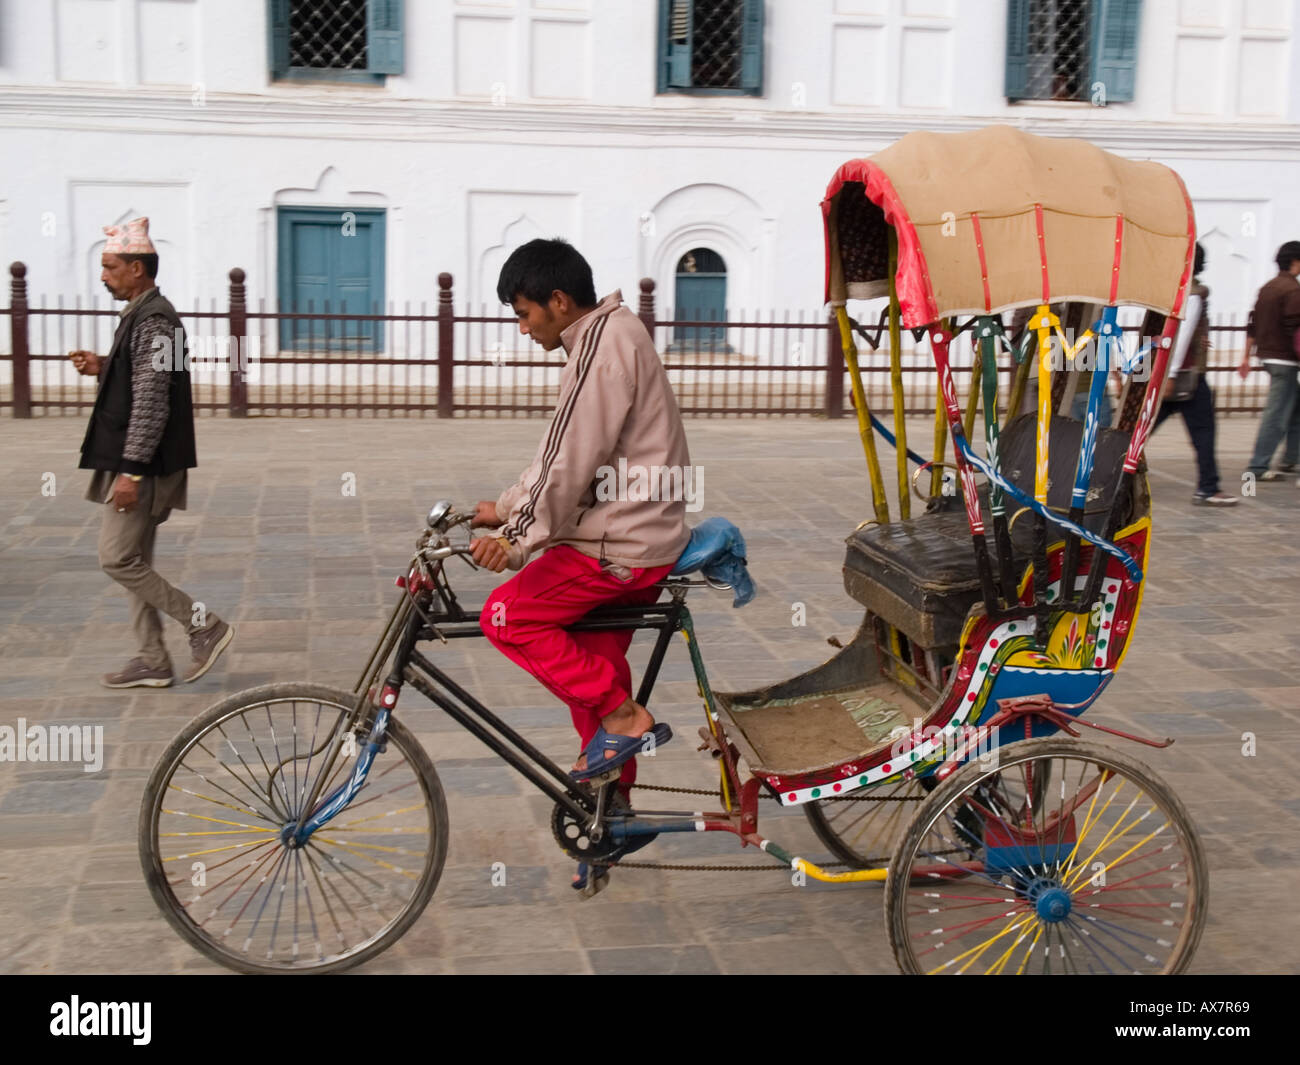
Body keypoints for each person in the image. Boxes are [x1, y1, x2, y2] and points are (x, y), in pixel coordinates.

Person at [468, 239, 691, 882]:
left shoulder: (599, 346)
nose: (523, 326)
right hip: (636, 532)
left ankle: (626, 721)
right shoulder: (610, 335)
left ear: (558, 301)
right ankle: (608, 811)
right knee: (592, 666)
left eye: (525, 312)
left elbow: (569, 463)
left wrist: (515, 539)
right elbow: (559, 454)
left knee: (509, 616)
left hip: (621, 544)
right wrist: (507, 505)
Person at [70, 217, 233, 687]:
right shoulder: (143, 316)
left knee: (116, 558)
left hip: (145, 465)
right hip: (139, 462)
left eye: (110, 267)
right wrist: (104, 366)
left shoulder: (157, 321)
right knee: (135, 560)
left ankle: (203, 623)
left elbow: (152, 403)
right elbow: (142, 380)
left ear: (137, 268)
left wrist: (131, 474)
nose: (103, 276)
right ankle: (152, 659)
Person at [1143, 243, 1237, 506]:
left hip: (1170, 375)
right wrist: (1171, 374)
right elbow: (1179, 337)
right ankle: (1208, 487)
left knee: (1144, 428)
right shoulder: (1192, 294)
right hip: (1185, 378)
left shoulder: (1170, 291)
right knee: (1203, 432)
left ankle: (1111, 474)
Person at [1240, 240, 1300, 482]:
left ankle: (1291, 458)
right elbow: (1295, 327)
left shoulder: (1267, 288)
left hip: (1268, 355)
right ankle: (1258, 466)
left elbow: (1251, 322)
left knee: (1295, 408)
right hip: (1285, 360)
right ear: (1295, 262)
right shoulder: (1292, 290)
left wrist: (1245, 356)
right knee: (1276, 414)